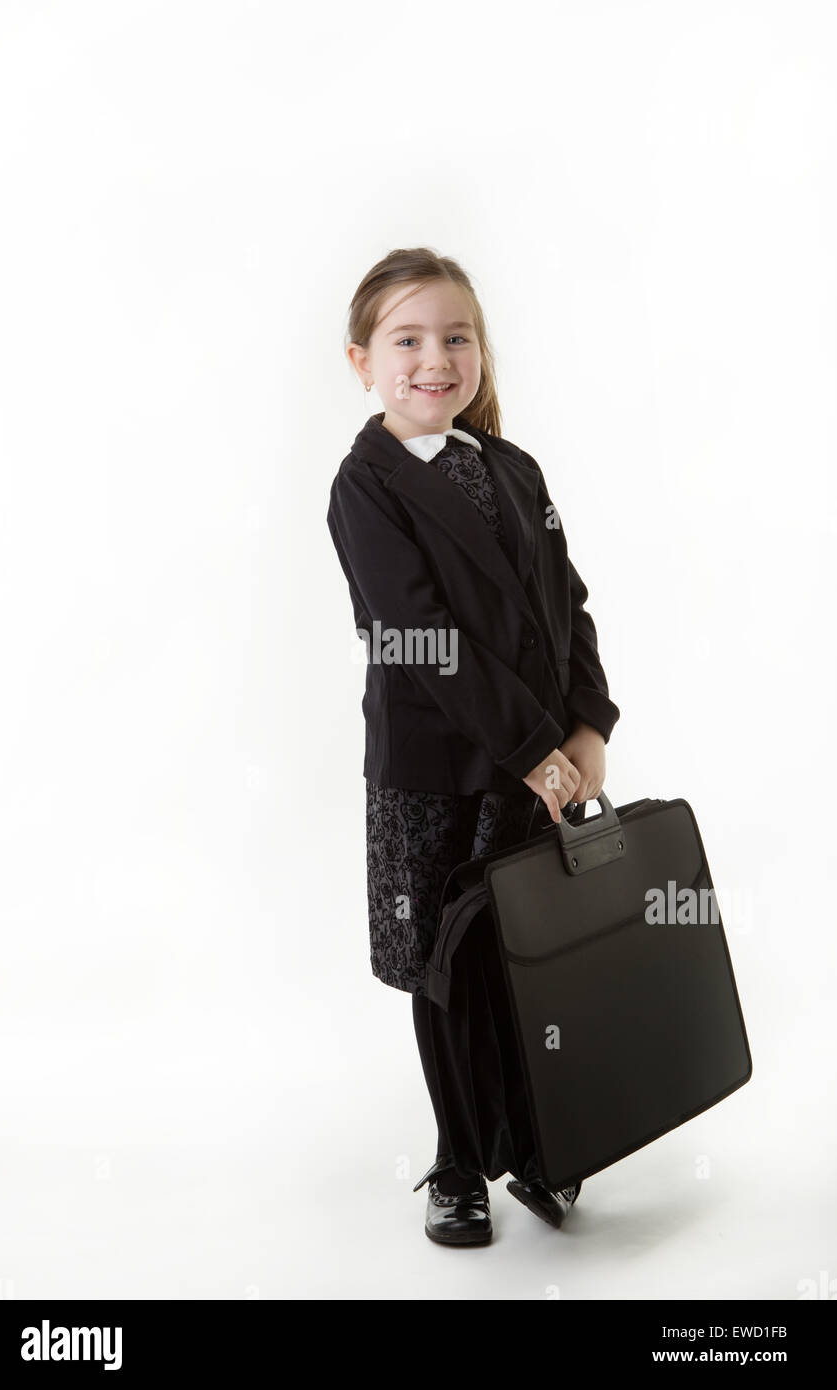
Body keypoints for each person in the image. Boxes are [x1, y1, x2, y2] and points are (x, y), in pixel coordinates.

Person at [326, 247, 620, 1246]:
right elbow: (422, 642)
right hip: (436, 773)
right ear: (361, 360)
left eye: (456, 336)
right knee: (447, 967)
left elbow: (563, 603)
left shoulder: (511, 468)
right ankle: (458, 1162)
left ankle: (534, 1140)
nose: (434, 357)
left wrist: (585, 723)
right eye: (406, 340)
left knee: (524, 957)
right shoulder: (365, 488)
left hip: (534, 768)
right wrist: (535, 746)